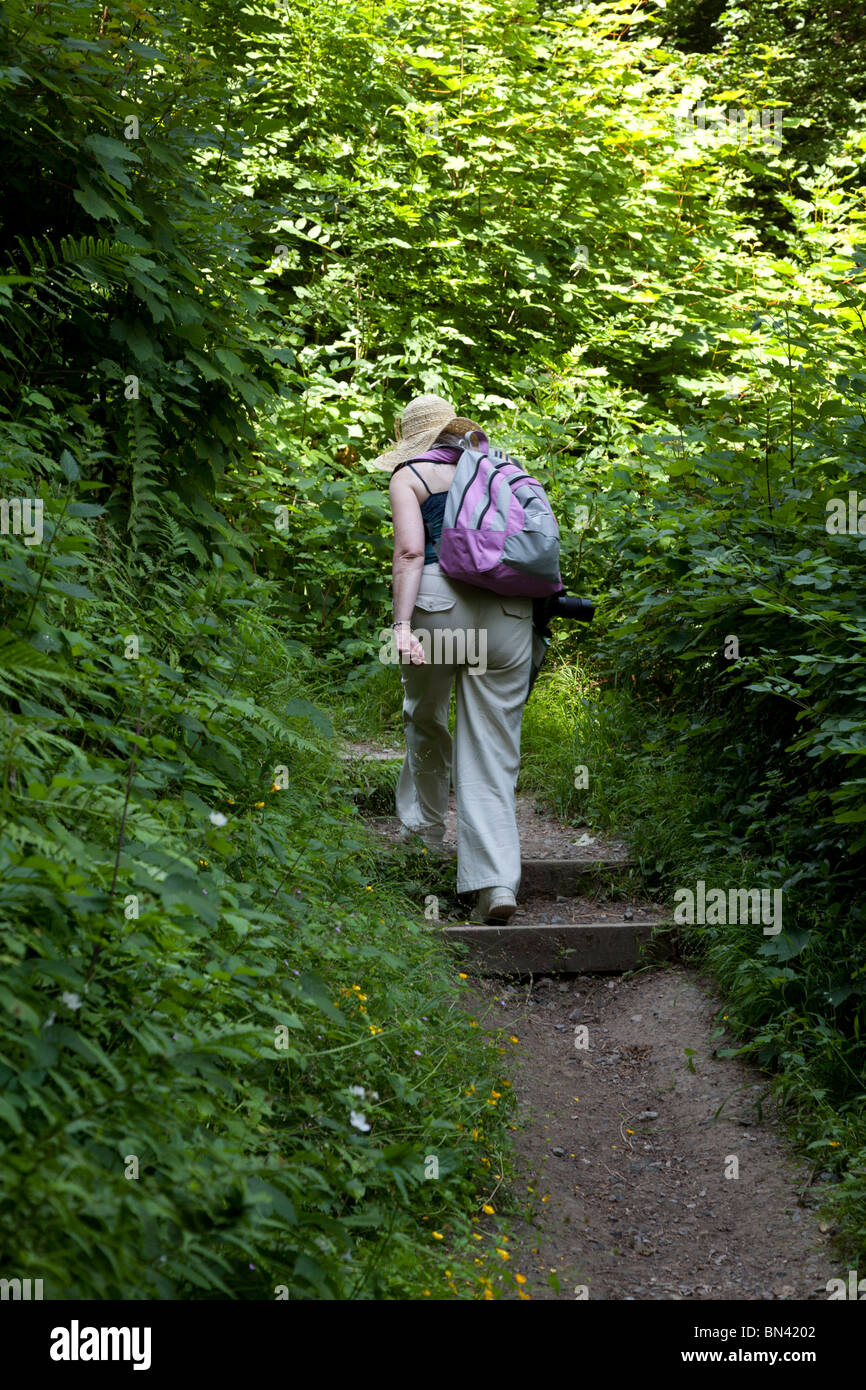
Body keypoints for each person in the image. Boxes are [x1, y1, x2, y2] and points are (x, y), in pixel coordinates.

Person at [369, 393, 534, 924]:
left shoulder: (409, 475)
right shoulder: (501, 468)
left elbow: (411, 552)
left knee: (425, 715)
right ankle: (496, 883)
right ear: (457, 431)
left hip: (440, 608)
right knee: (492, 745)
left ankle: (423, 836)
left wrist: (400, 625)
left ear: (414, 438)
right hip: (510, 614)